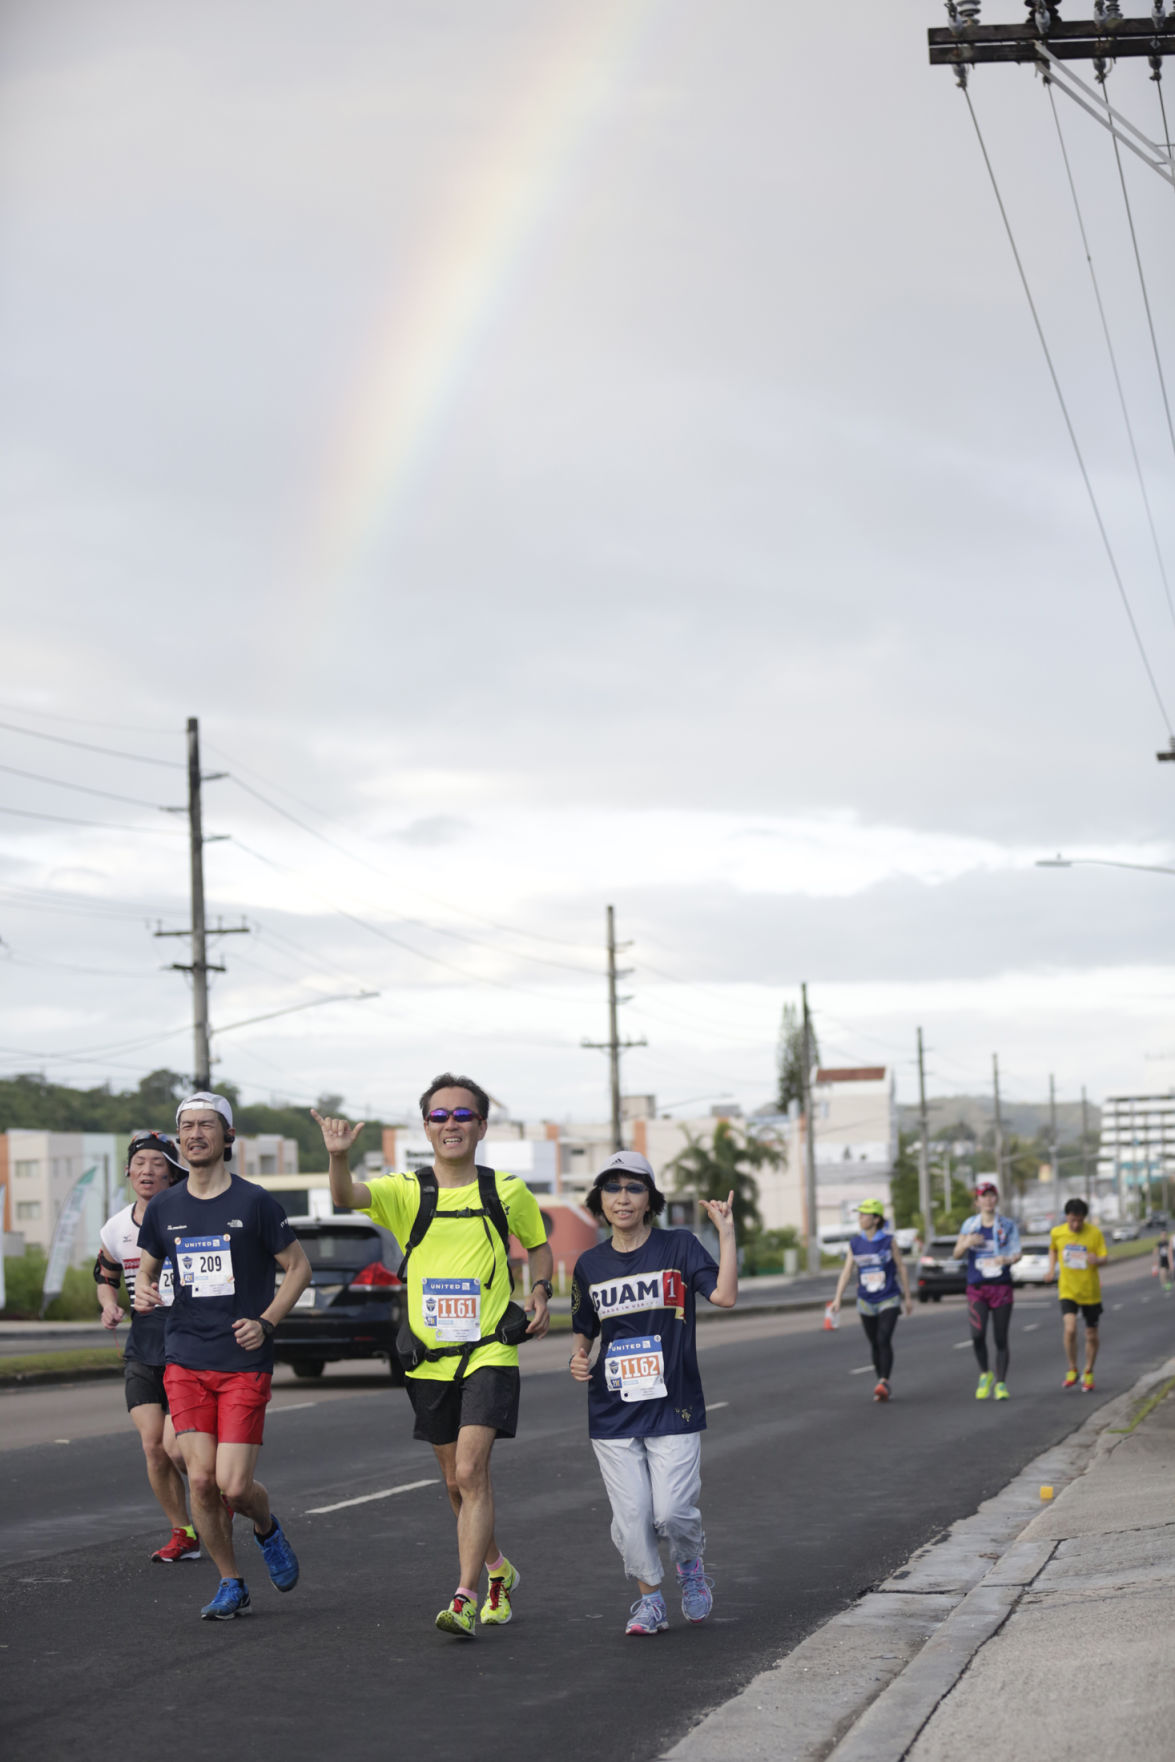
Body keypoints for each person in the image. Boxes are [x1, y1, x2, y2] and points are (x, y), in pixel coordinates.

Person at [314, 1072, 553, 1640]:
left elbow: (539, 1248)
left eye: (462, 1115)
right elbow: (346, 1196)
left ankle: (464, 1597)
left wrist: (539, 1292)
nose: (451, 1124)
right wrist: (338, 1157)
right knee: (454, 1484)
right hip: (427, 1359)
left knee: (472, 1470)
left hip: (491, 1349)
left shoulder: (506, 1191)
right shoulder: (406, 1191)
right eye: (440, 1116)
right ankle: (497, 1571)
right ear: (426, 1127)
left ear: (482, 1125)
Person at [135, 1090, 312, 1620]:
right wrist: (142, 1290)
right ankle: (230, 1581)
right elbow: (146, 1269)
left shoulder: (254, 1202)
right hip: (185, 1357)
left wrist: (266, 1322)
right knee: (203, 1480)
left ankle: (265, 1526)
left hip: (242, 1361)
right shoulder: (165, 1206)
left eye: (206, 1125)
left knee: (234, 1486)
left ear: (227, 1135)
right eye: (186, 1126)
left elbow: (298, 1268)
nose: (195, 1134)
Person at [568, 1151, 737, 1637]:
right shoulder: (589, 1264)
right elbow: (584, 1330)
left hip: (674, 1405)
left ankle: (690, 1566)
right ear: (600, 1199)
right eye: (612, 1188)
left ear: (649, 1200)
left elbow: (724, 1297)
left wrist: (725, 1233)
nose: (623, 1198)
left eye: (634, 1188)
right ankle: (649, 1602)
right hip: (613, 1410)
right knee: (635, 1515)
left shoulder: (680, 1247)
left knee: (672, 1511)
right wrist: (579, 1357)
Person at [94, 1130, 198, 1561]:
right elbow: (105, 1272)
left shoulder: (192, 1216)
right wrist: (109, 1305)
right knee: (154, 1446)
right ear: (128, 1173)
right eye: (140, 1164)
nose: (147, 1171)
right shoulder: (116, 1228)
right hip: (144, 1341)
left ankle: (212, 1492)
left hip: (190, 1338)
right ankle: (184, 1532)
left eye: (158, 1164)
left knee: (178, 1447)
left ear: (173, 1174)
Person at [829, 1199, 913, 1402]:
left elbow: (901, 1267)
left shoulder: (888, 1241)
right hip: (866, 1301)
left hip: (889, 1298)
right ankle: (880, 1383)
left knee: (884, 1338)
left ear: (875, 1219)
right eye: (860, 1214)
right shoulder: (855, 1243)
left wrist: (907, 1297)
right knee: (875, 1343)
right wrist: (837, 1299)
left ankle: (884, 1380)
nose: (860, 1218)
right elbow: (847, 1271)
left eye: (864, 1214)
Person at [952, 1180, 1021, 1401]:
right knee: (977, 1334)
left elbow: (1017, 1253)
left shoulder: (1007, 1225)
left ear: (996, 1199)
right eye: (984, 1196)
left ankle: (1001, 1383)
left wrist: (1007, 1258)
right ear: (977, 1201)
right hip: (977, 1288)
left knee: (1000, 1338)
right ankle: (985, 1373)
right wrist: (966, 1243)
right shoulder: (969, 1226)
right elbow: (956, 1254)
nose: (988, 1200)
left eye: (992, 1196)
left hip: (1001, 1287)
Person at [1047, 1196, 1108, 1392]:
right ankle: (1072, 1368)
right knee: (1070, 1328)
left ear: (1084, 1218)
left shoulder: (1095, 1233)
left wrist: (1096, 1260)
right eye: (1072, 1220)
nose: (1075, 1224)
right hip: (1068, 1289)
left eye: (1080, 1220)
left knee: (1091, 1334)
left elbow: (1105, 1257)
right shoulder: (1057, 1233)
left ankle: (1088, 1371)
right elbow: (1053, 1250)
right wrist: (1051, 1269)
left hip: (1090, 1291)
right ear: (1066, 1217)